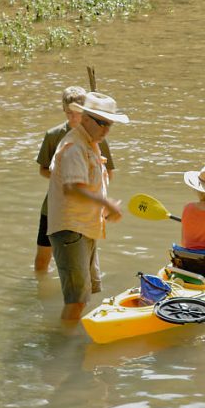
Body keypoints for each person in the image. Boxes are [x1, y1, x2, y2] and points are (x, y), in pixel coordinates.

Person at [46, 92, 129, 320]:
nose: (106, 130)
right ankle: (64, 349)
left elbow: (92, 184)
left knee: (85, 296)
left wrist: (104, 210)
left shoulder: (90, 143)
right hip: (71, 229)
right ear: (85, 118)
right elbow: (72, 188)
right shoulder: (74, 146)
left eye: (109, 125)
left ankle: (71, 339)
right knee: (77, 300)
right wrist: (106, 203)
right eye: (102, 123)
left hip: (85, 227)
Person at [35, 85, 113, 275]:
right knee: (42, 256)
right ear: (63, 110)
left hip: (85, 210)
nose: (73, 117)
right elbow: (43, 169)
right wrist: (64, 176)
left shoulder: (97, 136)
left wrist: (100, 199)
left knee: (83, 264)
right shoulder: (54, 135)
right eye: (69, 112)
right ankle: (41, 286)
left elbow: (108, 172)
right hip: (54, 205)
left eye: (77, 112)